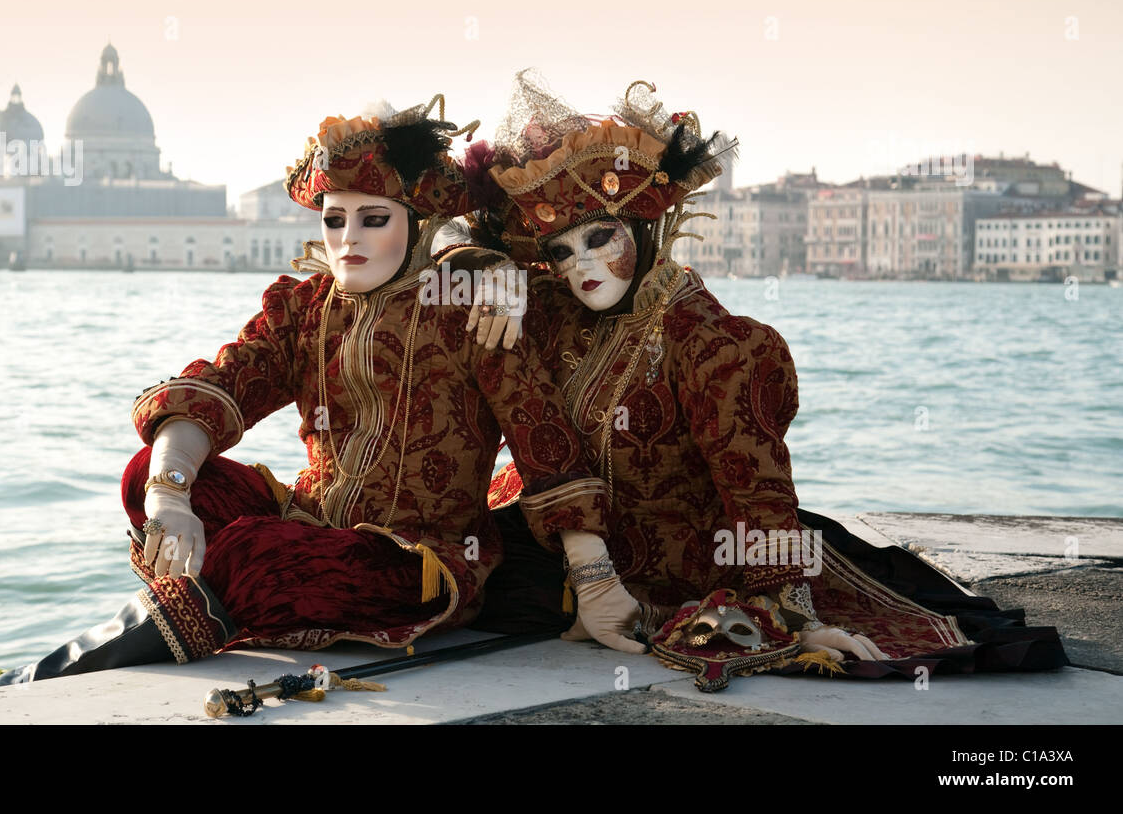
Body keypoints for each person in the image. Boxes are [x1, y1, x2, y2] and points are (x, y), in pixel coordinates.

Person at [452, 71, 1067, 686]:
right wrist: (498, 271)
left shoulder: (714, 343)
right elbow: (444, 258)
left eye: (598, 238)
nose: (581, 264)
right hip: (560, 546)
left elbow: (754, 481)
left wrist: (793, 613)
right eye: (561, 251)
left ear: (643, 228)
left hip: (683, 567)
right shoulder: (558, 311)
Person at [0, 95, 610, 686]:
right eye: (334, 220)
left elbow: (544, 446)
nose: (348, 240)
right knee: (148, 473)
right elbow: (220, 384)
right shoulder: (304, 309)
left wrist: (596, 580)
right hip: (311, 521)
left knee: (256, 558)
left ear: (417, 225)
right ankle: (221, 598)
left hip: (419, 561)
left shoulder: (473, 308)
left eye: (373, 220)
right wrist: (169, 493)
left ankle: (63, 669)